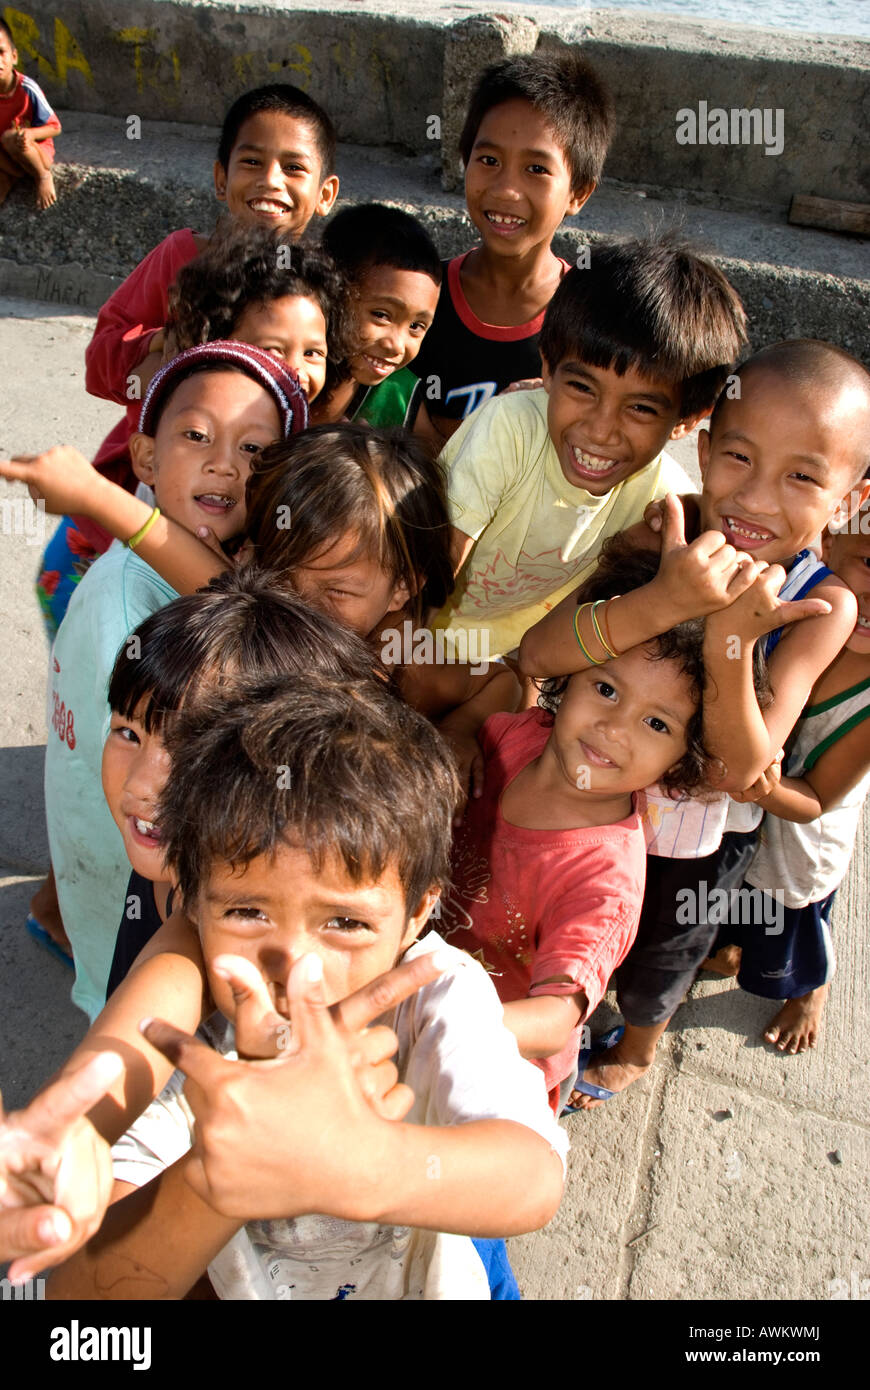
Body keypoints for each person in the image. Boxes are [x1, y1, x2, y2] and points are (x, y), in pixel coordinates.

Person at [47, 677, 567, 1300]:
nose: (296, 965)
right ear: (191, 902)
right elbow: (78, 1298)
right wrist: (221, 1178)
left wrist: (355, 1162)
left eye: (345, 923)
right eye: (247, 912)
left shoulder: (436, 993)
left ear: (419, 912)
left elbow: (532, 1177)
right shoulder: (189, 1053)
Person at [519, 339, 870, 1106]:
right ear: (704, 450)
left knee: (667, 949)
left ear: (846, 500)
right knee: (580, 919)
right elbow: (538, 656)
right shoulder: (663, 534)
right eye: (739, 458)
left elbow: (736, 771)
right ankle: (563, 1007)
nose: (758, 499)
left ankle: (639, 1048)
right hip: (601, 792)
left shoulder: (824, 604)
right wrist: (659, 595)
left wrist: (731, 642)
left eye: (803, 477)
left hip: (706, 836)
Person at [1, 342, 306, 1015]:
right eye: (196, 435)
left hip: (139, 862)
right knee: (142, 1033)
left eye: (254, 451)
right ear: (143, 457)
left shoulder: (174, 579)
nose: (224, 462)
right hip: (134, 876)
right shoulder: (132, 612)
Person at [11, 423, 520, 805]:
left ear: (402, 588)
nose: (298, 608)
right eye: (279, 575)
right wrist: (93, 494)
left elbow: (503, 682)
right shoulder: (264, 613)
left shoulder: (406, 661)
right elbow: (191, 563)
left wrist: (462, 730)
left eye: (338, 590)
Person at [37, 82, 339, 632]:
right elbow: (101, 360)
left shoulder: (311, 294)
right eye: (252, 161)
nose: (271, 180)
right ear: (221, 177)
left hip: (223, 542)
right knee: (99, 658)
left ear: (325, 193)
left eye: (294, 168)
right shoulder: (181, 257)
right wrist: (164, 353)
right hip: (120, 520)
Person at [440, 547, 719, 1114]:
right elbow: (495, 688)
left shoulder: (605, 881)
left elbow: (553, 1018)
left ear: (683, 759)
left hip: (491, 1067)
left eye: (656, 722)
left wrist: (418, 1025)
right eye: (607, 690)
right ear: (570, 675)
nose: (614, 730)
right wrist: (462, 728)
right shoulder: (516, 737)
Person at [432, 233, 746, 660]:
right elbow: (430, 571)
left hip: (516, 663)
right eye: (581, 387)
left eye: (640, 409)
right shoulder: (510, 429)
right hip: (426, 636)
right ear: (547, 368)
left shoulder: (664, 500)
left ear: (688, 421)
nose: (601, 431)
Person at [101, 569, 393, 994]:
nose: (142, 784)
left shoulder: (255, 948)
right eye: (128, 733)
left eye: (189, 750)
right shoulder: (170, 847)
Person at [706, 501, 870, 1052]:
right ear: (832, 542)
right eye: (868, 563)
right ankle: (728, 947)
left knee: (787, 923)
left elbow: (820, 798)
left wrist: (766, 785)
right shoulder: (786, 598)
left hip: (799, 836)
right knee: (730, 899)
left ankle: (809, 989)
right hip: (737, 823)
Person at [410, 50, 614, 449]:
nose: (505, 189)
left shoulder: (595, 323)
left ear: (579, 193)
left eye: (536, 169)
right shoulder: (418, 299)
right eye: (488, 160)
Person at [316, 202, 441, 425]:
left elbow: (438, 459)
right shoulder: (282, 374)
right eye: (381, 315)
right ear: (331, 293)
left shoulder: (397, 394)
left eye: (416, 326)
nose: (396, 346)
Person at [0, 17, 61, 210]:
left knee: (11, 137)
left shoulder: (27, 88)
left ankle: (42, 177)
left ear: (14, 56)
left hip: (35, 153)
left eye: (1, 52)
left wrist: (31, 134)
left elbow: (55, 127)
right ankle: (9, 178)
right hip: (9, 159)